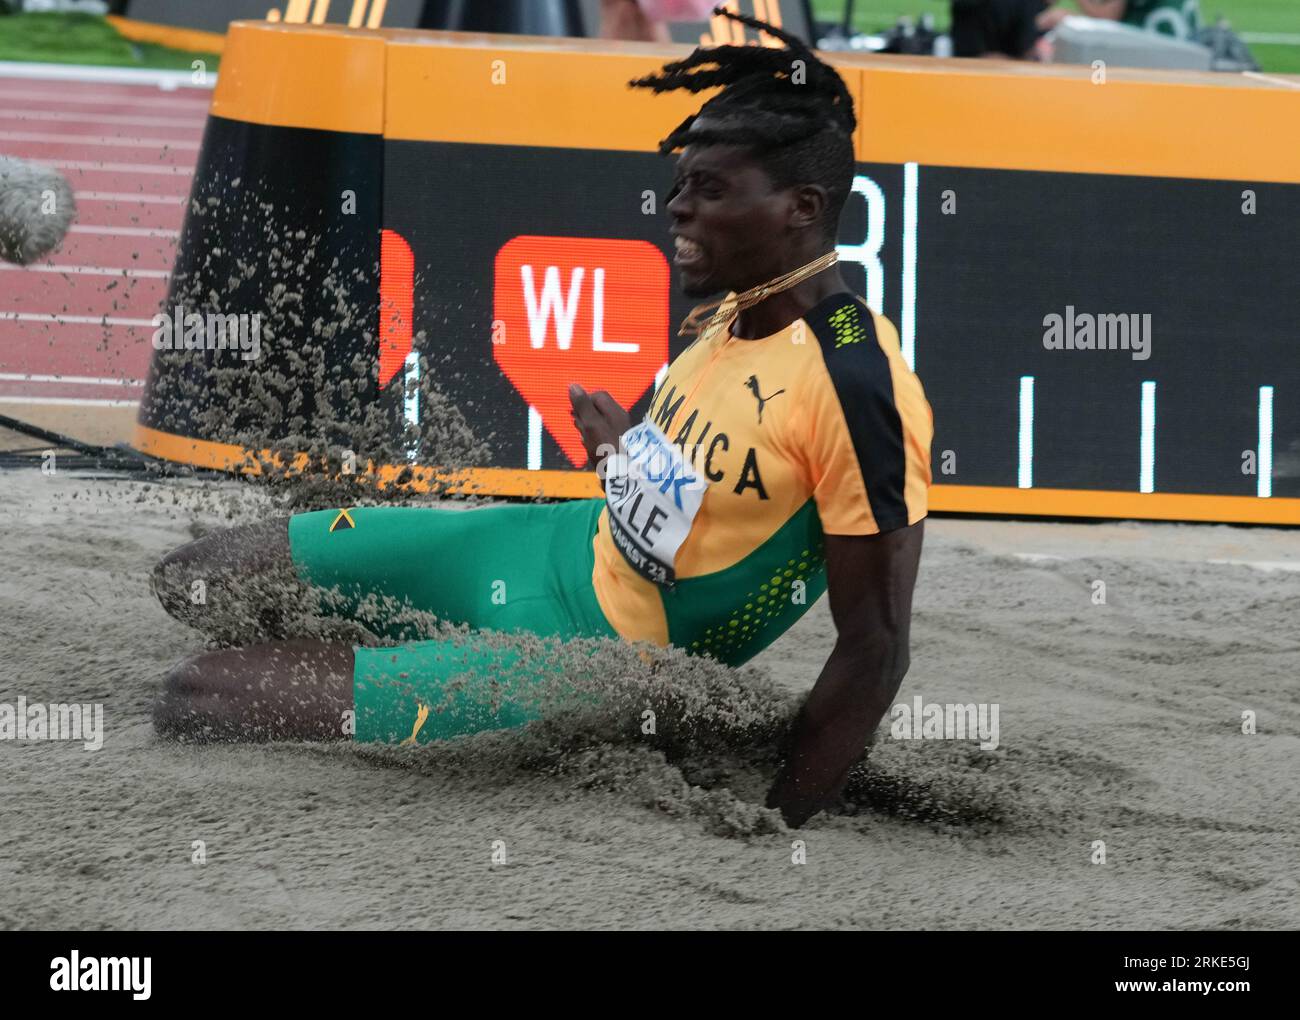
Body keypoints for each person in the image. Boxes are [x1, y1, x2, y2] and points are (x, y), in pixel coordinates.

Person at [152, 8, 933, 828]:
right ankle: (396, 664)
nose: (675, 207)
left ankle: (411, 676)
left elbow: (877, 648)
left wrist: (779, 822)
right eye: (678, 183)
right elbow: (700, 507)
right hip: (544, 547)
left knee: (198, 694)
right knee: (195, 579)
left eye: (709, 189)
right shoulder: (732, 315)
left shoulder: (857, 385)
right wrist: (621, 454)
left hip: (587, 657)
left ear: (800, 207)